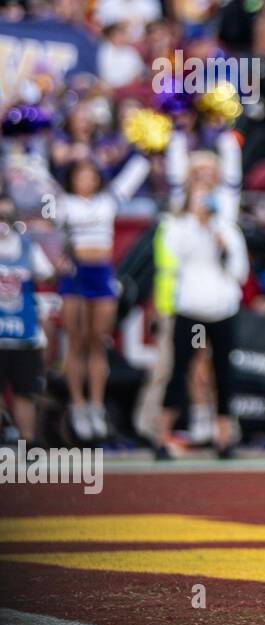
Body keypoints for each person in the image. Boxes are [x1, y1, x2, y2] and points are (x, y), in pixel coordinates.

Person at [57, 153, 150, 441]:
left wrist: (147, 148)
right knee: (76, 341)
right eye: (80, 175)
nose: (87, 180)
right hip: (76, 274)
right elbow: (51, 235)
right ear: (72, 179)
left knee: (99, 340)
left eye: (91, 175)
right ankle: (77, 404)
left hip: (102, 273)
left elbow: (133, 177)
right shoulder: (64, 204)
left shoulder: (107, 201)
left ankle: (96, 405)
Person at [157, 183, 249, 460]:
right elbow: (175, 253)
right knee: (179, 370)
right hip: (191, 310)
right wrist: (198, 225)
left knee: (224, 373)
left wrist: (222, 243)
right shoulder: (178, 226)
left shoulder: (228, 229)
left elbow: (239, 272)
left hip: (222, 310)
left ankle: (223, 437)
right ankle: (162, 437)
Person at [0, 194, 55, 443]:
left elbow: (47, 274)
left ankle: (27, 440)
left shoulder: (26, 246)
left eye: (7, 217)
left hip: (23, 333)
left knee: (25, 391)